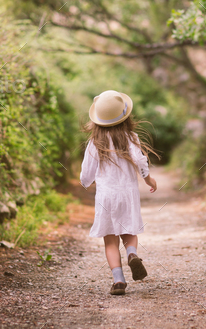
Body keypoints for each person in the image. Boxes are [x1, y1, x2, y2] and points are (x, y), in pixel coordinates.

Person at [80, 90, 158, 296]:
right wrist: (149, 179)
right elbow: (141, 161)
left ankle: (118, 281)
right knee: (129, 232)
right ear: (125, 118)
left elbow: (86, 175)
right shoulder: (131, 137)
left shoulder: (94, 142)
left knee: (110, 240)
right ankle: (132, 254)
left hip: (106, 196)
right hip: (128, 194)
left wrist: (85, 182)